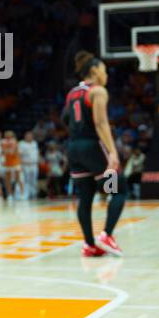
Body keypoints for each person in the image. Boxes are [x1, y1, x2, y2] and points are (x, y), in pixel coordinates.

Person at [64, 51, 125, 256]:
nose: (106, 74)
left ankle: (89, 244)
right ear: (94, 70)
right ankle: (107, 234)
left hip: (74, 149)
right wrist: (113, 152)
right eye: (104, 70)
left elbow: (66, 120)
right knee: (117, 190)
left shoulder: (72, 92)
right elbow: (100, 123)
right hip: (94, 148)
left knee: (86, 196)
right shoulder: (98, 91)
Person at [18, 130, 39, 200]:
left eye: (30, 135)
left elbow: (36, 153)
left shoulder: (34, 143)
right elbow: (19, 155)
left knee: (34, 180)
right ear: (25, 136)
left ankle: (34, 194)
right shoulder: (21, 144)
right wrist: (20, 164)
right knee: (26, 180)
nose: (29, 137)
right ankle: (27, 194)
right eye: (28, 135)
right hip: (26, 165)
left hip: (34, 164)